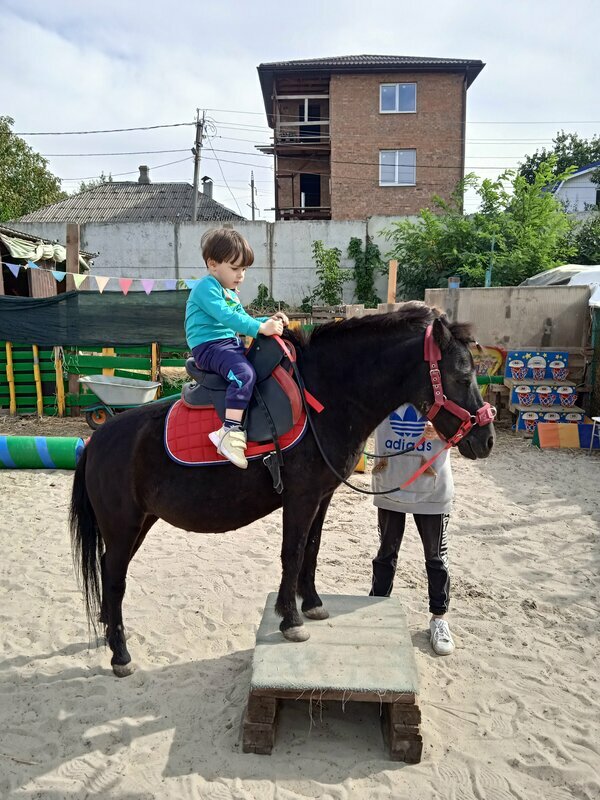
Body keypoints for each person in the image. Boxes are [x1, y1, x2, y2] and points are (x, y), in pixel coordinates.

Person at [185, 228, 288, 469]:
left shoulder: (229, 293)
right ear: (213, 264)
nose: (241, 275)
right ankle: (229, 431)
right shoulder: (206, 288)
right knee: (244, 375)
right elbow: (227, 317)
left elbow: (241, 317)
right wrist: (260, 328)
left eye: (244, 269)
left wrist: (267, 321)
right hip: (209, 347)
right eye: (235, 268)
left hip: (229, 345)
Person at [369, 403, 455, 655]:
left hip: (431, 481)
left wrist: (442, 430)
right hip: (391, 482)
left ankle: (439, 618)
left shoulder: (443, 387)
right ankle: (377, 607)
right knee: (386, 551)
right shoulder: (385, 382)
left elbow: (469, 430)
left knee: (435, 556)